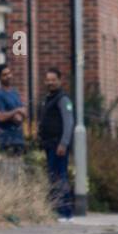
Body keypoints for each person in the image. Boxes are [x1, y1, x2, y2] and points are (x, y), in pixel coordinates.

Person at [38, 67, 75, 220]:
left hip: (58, 146)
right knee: (54, 177)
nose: (50, 83)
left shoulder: (63, 99)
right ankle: (59, 211)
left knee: (60, 178)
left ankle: (64, 212)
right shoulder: (49, 98)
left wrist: (64, 143)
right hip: (50, 144)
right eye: (48, 80)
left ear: (60, 81)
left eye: (53, 80)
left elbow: (69, 122)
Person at [0, 64, 26, 155]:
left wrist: (20, 115)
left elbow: (24, 111)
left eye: (9, 73)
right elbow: (0, 117)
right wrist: (16, 112)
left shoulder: (14, 92)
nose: (8, 76)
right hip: (6, 140)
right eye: (5, 75)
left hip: (19, 139)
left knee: (19, 168)